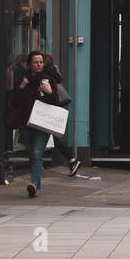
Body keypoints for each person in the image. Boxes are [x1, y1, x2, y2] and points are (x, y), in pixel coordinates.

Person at [7, 50, 62, 198]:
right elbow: (13, 102)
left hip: (42, 123)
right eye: (36, 62)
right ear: (30, 64)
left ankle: (32, 183)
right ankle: (37, 187)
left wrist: (50, 92)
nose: (39, 64)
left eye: (41, 62)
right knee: (32, 155)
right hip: (26, 123)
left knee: (37, 153)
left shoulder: (48, 80)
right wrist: (22, 87)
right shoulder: (23, 80)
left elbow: (56, 103)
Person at [43, 61, 82, 177]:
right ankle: (71, 160)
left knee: (53, 137)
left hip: (47, 110)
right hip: (52, 109)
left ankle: (72, 160)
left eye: (41, 62)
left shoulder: (45, 75)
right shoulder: (53, 73)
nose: (39, 64)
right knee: (51, 137)